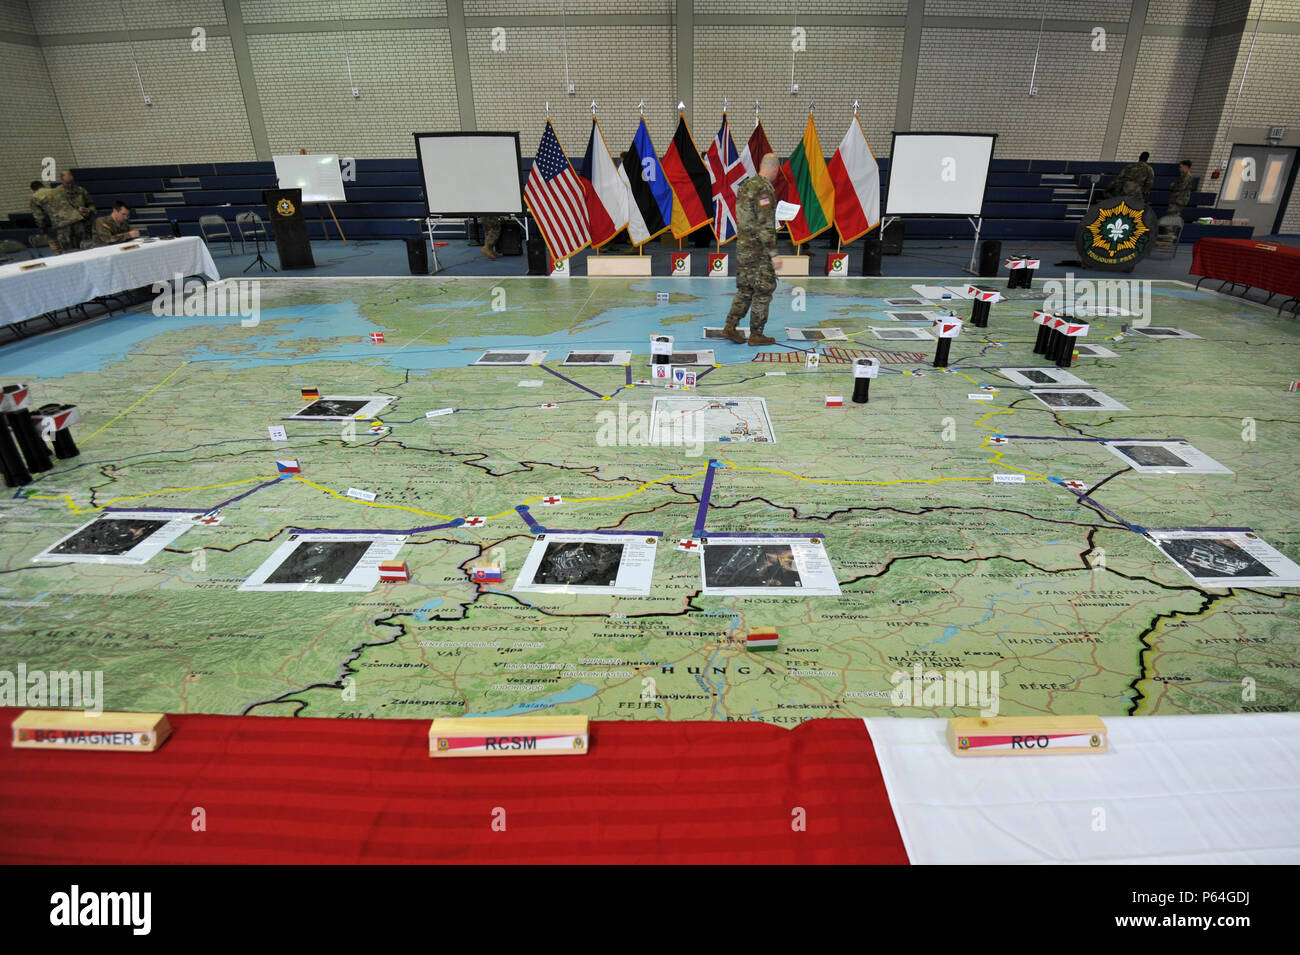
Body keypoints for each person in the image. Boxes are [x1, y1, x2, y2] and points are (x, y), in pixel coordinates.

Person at [722, 152, 782, 346]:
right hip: (759, 252)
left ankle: (730, 326)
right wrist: (774, 254)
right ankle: (757, 334)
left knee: (745, 289)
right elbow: (765, 224)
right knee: (764, 290)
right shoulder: (764, 189)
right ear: (774, 168)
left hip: (743, 248)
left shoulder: (746, 185)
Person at [46, 170, 96, 253]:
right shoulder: (55, 194)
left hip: (82, 226)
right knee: (68, 251)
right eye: (67, 183)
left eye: (71, 182)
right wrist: (75, 214)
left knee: (85, 250)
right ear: (61, 181)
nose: (70, 185)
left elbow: (91, 204)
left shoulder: (80, 190)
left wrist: (89, 211)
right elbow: (53, 212)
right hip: (65, 228)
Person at [29, 180, 59, 252]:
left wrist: (44, 233)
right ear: (43, 186)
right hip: (77, 219)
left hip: (60, 223)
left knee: (63, 249)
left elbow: (39, 218)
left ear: (33, 190)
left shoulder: (34, 197)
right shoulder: (56, 191)